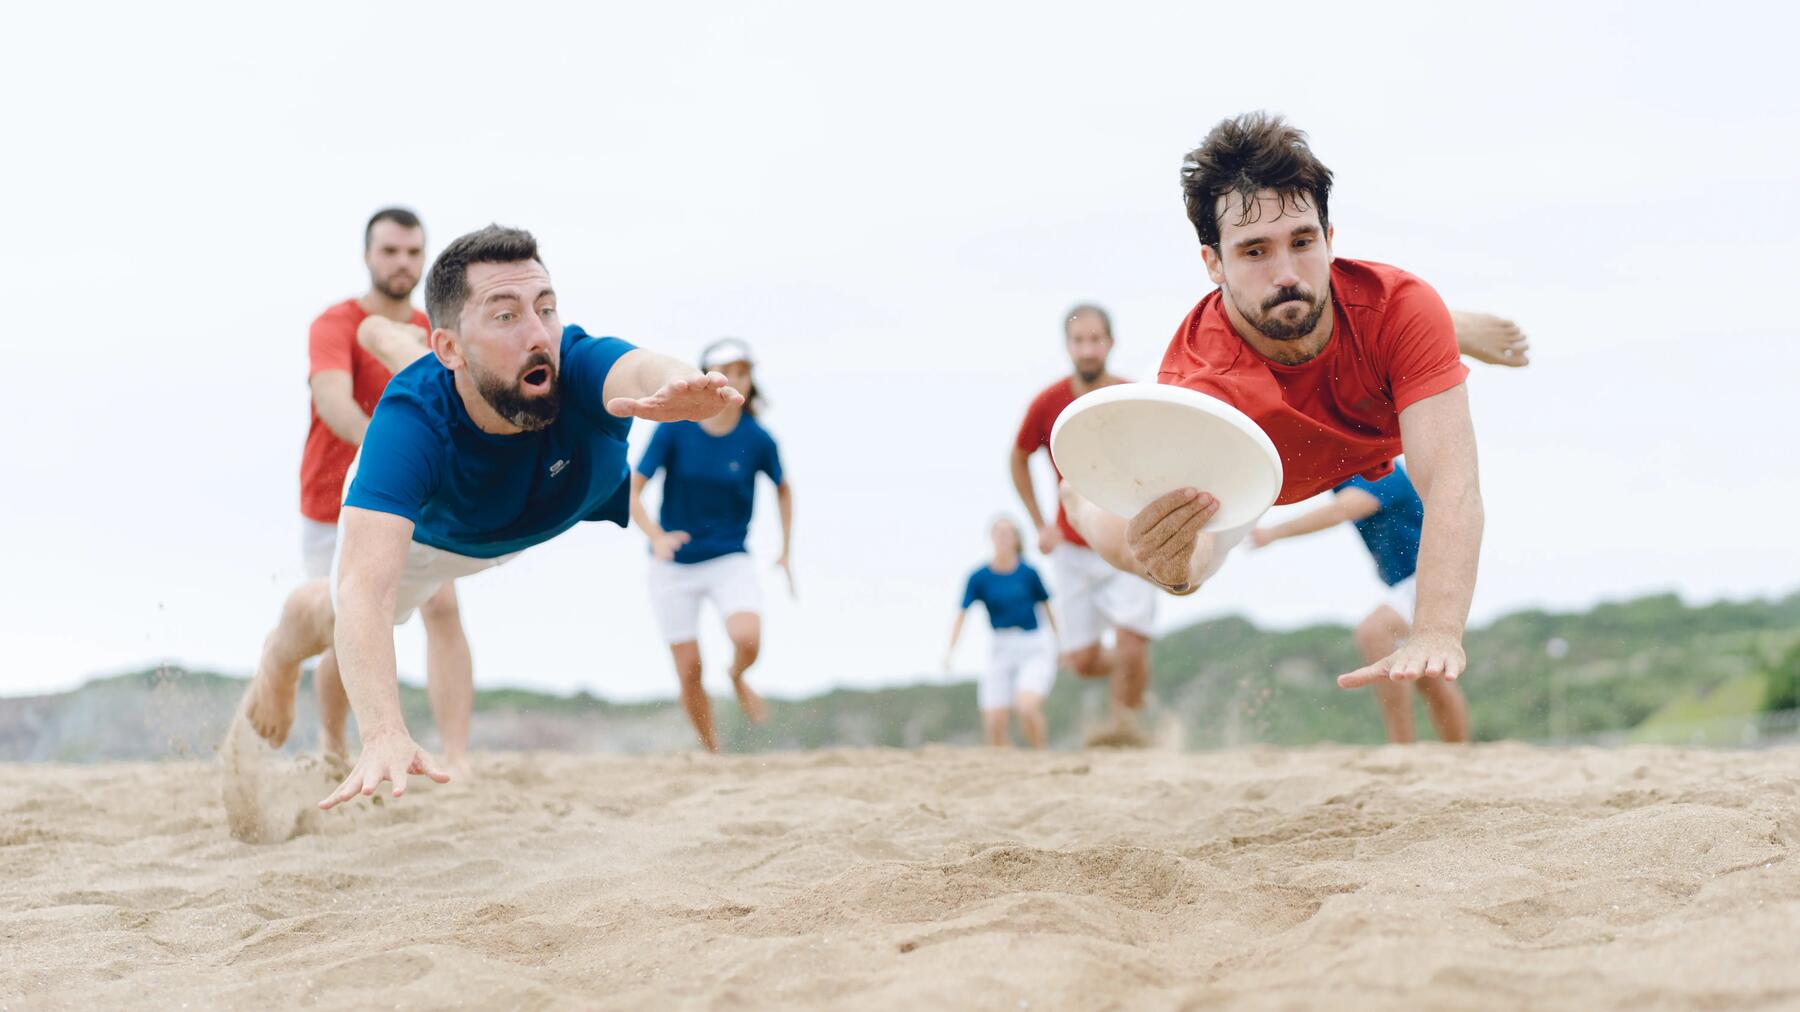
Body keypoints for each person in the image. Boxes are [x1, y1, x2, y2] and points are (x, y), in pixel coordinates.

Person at [235, 224, 744, 811]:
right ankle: (277, 654)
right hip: (443, 537)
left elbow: (642, 367)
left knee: (449, 372)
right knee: (331, 607)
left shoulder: (575, 361)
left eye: (546, 308)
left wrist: (680, 384)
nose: (538, 332)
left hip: (525, 507)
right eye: (505, 315)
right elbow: (363, 592)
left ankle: (396, 337)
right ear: (453, 341)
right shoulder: (407, 425)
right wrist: (382, 731)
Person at [1062, 112, 1488, 693]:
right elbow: (1197, 554)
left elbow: (1451, 484)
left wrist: (1436, 630)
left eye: (1303, 242)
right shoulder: (1202, 385)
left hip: (1366, 380)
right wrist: (1175, 570)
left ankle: (1446, 327)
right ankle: (1080, 491)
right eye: (1255, 251)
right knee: (1127, 542)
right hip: (1245, 453)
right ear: (1213, 263)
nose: (1287, 273)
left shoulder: (1400, 310)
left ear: (1331, 239)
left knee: (1412, 310)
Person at [298, 208, 476, 769]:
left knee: (443, 608)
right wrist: (389, 454)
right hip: (333, 502)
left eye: (413, 253)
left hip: (416, 505)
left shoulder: (433, 333)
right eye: (390, 251)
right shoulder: (337, 323)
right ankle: (332, 745)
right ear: (368, 256)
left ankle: (457, 755)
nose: (402, 263)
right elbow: (333, 403)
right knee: (345, 620)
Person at [628, 338, 795, 752]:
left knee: (747, 638)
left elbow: (784, 489)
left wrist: (786, 549)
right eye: (729, 372)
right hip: (673, 565)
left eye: (744, 372)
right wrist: (656, 536)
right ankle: (712, 750)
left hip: (728, 557)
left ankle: (738, 676)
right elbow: (632, 490)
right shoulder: (675, 431)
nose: (738, 380)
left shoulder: (758, 439)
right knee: (689, 669)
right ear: (707, 380)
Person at [1012, 305, 1159, 747]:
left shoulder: (1133, 396)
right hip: (1074, 546)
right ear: (1068, 346)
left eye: (1096, 340)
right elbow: (1018, 458)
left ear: (1110, 343)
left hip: (1128, 541)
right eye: (1080, 341)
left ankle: (1123, 728)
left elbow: (1167, 453)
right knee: (1081, 660)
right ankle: (1133, 681)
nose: (1088, 349)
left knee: (1131, 643)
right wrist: (1040, 524)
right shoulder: (1048, 402)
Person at [1248, 465, 1471, 742]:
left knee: (1374, 632)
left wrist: (1273, 533)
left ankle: (1401, 747)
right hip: (1408, 585)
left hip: (1429, 579)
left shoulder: (1380, 468)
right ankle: (1457, 752)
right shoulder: (1344, 478)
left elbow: (1343, 510)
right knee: (1430, 679)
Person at [944, 517, 1060, 747]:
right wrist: (951, 651)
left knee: (1026, 707)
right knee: (994, 722)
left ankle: (1041, 755)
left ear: (1016, 539)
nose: (1003, 538)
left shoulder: (1029, 573)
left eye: (1008, 533)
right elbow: (961, 615)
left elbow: (1048, 609)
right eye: (999, 533)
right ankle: (1006, 765)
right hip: (1000, 646)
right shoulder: (979, 578)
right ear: (991, 538)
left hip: (1032, 645)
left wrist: (1061, 645)